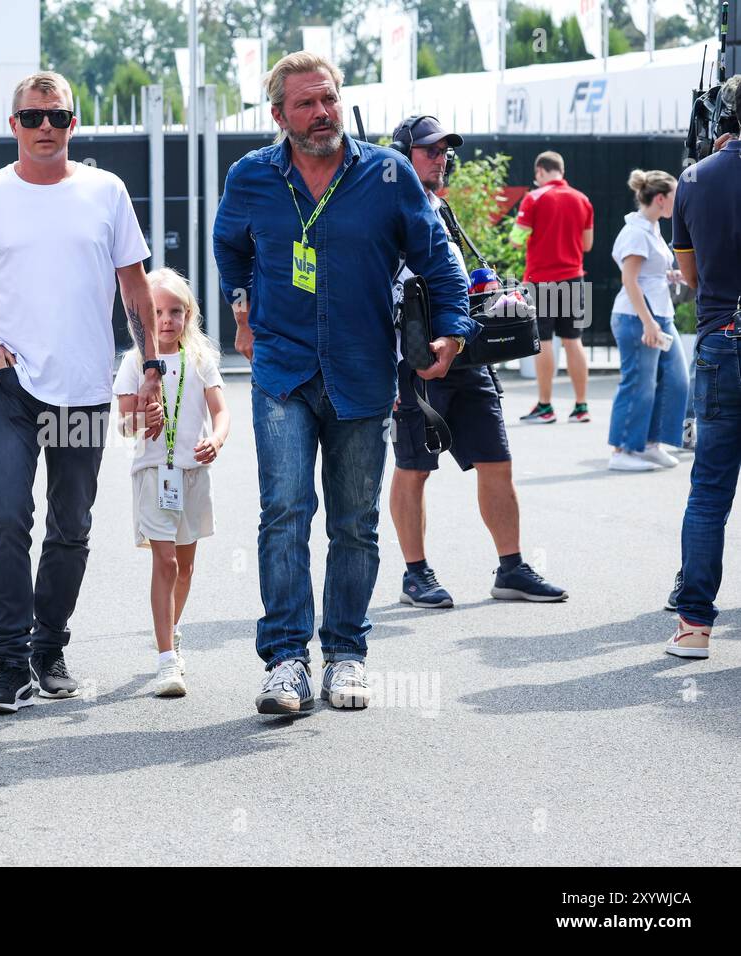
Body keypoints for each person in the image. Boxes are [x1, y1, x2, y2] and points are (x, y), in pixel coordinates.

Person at [212, 53, 476, 715]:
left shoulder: (386, 174)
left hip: (361, 373)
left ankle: (348, 654)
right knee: (284, 515)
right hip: (282, 371)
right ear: (279, 115)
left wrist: (452, 329)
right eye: (305, 103)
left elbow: (437, 257)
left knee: (354, 525)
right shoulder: (250, 177)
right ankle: (285, 661)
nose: (321, 112)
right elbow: (228, 246)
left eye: (328, 99)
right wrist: (242, 308)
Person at [0, 70, 164, 714]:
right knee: (9, 519)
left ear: (73, 123)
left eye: (57, 118)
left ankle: (49, 649)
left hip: (86, 389)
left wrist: (151, 365)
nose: (45, 128)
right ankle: (10, 663)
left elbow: (135, 288)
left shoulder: (106, 191)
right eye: (33, 117)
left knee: (72, 527)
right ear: (13, 124)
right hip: (13, 389)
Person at [387, 116, 567, 608]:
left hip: (465, 353)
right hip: (417, 359)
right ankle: (415, 575)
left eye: (445, 150)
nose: (441, 157)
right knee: (414, 467)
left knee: (497, 461)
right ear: (403, 155)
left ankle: (511, 569)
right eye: (429, 150)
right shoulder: (385, 208)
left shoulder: (439, 205)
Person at [113, 268, 229, 697]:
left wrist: (216, 440)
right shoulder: (132, 362)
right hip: (152, 475)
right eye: (157, 312)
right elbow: (125, 425)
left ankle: (172, 630)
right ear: (144, 318)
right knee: (166, 563)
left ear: (189, 315)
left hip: (193, 475)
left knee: (185, 565)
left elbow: (221, 412)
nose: (166, 320)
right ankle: (166, 660)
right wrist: (144, 419)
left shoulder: (201, 359)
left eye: (175, 311)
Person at [667, 77, 741, 660]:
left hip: (721, 336)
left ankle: (694, 627)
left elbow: (689, 279)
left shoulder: (692, 178)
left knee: (710, 491)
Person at [606, 169, 690, 473]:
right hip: (637, 316)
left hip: (658, 313)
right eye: (675, 198)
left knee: (676, 381)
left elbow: (646, 272)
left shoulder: (651, 228)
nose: (678, 203)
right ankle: (622, 450)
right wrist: (648, 323)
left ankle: (650, 443)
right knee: (638, 384)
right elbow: (629, 280)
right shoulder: (636, 232)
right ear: (659, 198)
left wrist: (669, 275)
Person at [511, 151, 594, 424]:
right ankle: (581, 406)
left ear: (540, 172)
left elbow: (516, 239)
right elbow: (587, 245)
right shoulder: (582, 199)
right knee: (573, 340)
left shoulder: (534, 197)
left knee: (543, 341)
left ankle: (545, 407)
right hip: (574, 278)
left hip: (540, 280)